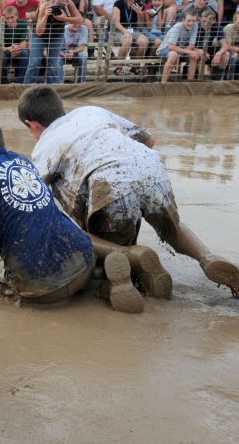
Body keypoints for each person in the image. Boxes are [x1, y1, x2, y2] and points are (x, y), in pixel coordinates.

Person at [20, 86, 239, 299]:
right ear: (59, 107)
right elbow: (149, 140)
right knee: (173, 229)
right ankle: (207, 257)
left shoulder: (44, 146)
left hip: (109, 185)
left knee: (85, 241)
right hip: (152, 170)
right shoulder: (91, 111)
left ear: (32, 125)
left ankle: (130, 263)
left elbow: (34, 195)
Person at [0, 107, 142, 313]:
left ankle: (94, 286)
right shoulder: (21, 160)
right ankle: (102, 281)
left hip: (43, 290)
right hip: (84, 263)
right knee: (62, 247)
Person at [24, 0, 83, 83]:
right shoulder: (45, 6)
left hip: (57, 35)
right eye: (57, 4)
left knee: (53, 64)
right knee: (34, 63)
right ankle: (27, 87)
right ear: (53, 1)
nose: (59, 7)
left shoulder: (69, 4)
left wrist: (63, 18)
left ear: (67, 2)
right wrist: (46, 16)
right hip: (40, 36)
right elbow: (39, 32)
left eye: (62, 5)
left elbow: (79, 20)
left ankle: (52, 88)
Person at [111, 0, 149, 74]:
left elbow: (140, 25)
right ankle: (119, 67)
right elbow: (116, 23)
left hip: (133, 31)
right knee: (127, 40)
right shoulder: (119, 3)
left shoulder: (139, 4)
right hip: (119, 30)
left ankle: (135, 65)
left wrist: (139, 13)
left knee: (144, 41)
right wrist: (125, 31)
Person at [156, 10, 201, 81]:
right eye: (188, 21)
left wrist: (181, 54)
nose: (191, 23)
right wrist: (183, 53)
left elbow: (192, 45)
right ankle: (163, 83)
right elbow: (170, 47)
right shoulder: (177, 27)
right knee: (174, 54)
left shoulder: (195, 26)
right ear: (183, 20)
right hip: (165, 50)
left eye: (193, 21)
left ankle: (190, 82)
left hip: (180, 50)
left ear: (196, 21)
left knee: (194, 55)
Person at [0, 5, 29, 83]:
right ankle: (3, 83)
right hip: (5, 50)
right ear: (4, 18)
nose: (10, 20)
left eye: (12, 17)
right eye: (7, 18)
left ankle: (22, 82)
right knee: (1, 57)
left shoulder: (23, 23)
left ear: (17, 16)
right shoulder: (1, 25)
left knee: (25, 54)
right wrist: (8, 49)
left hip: (18, 49)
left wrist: (16, 48)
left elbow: (24, 43)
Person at [196, 9, 230, 78]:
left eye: (206, 22)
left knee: (226, 54)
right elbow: (190, 46)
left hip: (210, 50)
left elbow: (225, 46)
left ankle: (215, 79)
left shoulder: (217, 28)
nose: (204, 24)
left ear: (214, 21)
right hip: (197, 50)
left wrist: (219, 53)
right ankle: (196, 77)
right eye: (203, 21)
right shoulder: (197, 26)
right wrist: (200, 51)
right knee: (197, 55)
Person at [224, 10, 239, 78]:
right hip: (220, 47)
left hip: (235, 48)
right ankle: (229, 79)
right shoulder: (229, 28)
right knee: (234, 55)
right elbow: (228, 46)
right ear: (234, 21)